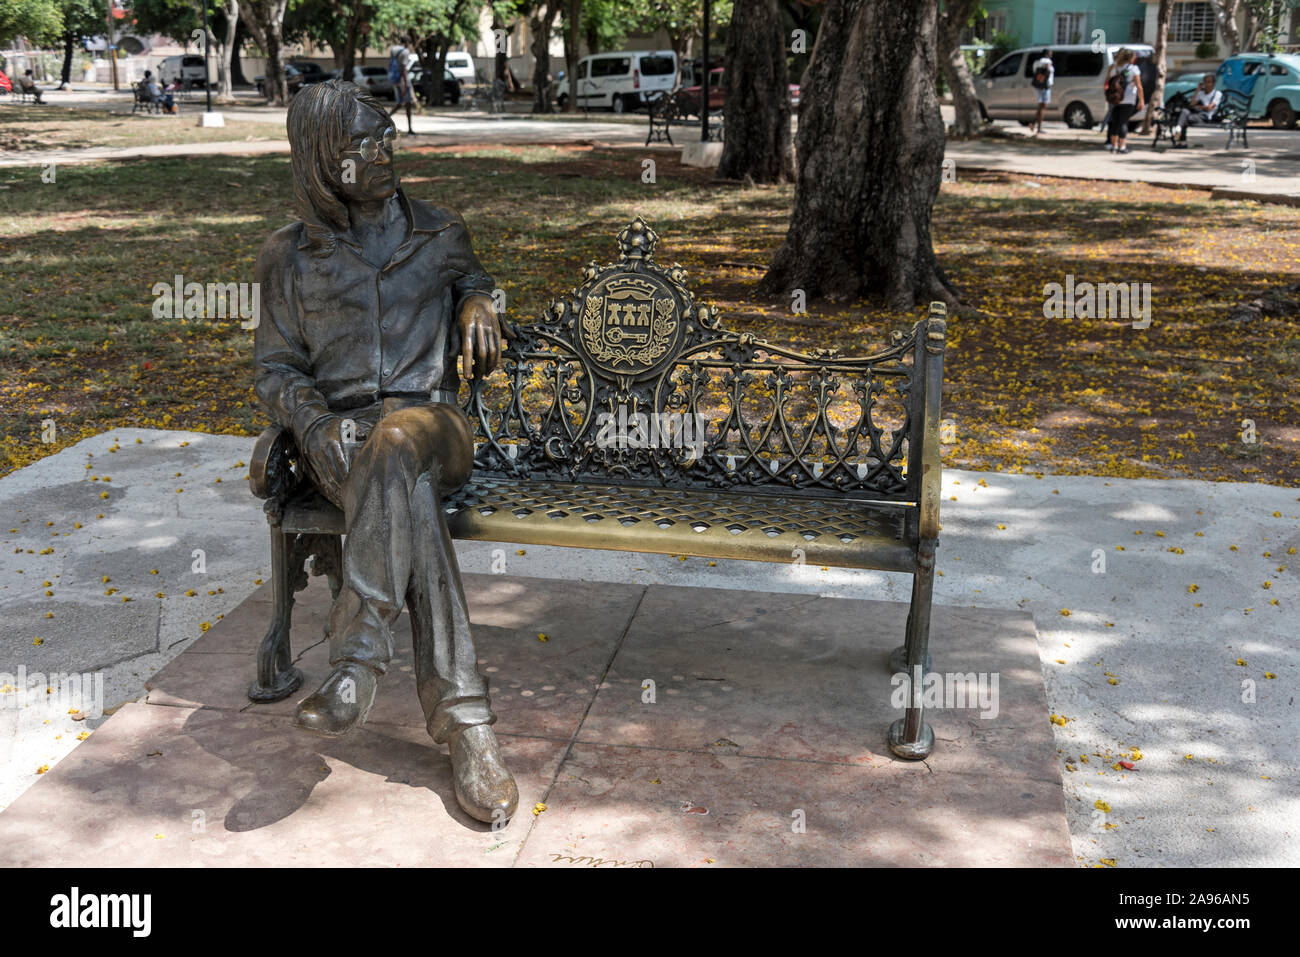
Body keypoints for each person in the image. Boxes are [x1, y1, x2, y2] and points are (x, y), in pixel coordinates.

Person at [253, 79, 516, 824]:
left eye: (387, 135)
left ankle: (359, 656)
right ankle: (469, 732)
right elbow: (274, 369)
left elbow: (483, 286)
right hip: (343, 449)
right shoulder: (287, 257)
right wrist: (310, 425)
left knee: (401, 444)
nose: (385, 151)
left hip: (436, 430)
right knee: (407, 495)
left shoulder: (440, 232)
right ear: (322, 161)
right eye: (364, 143)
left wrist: (477, 300)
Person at [1103, 49, 1144, 154]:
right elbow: (1139, 86)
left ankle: (1114, 146)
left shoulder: (1114, 67)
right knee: (1123, 123)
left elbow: (1107, 81)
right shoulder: (1134, 69)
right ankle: (1122, 147)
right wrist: (1141, 101)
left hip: (1115, 98)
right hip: (1129, 98)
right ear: (1131, 57)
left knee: (1115, 123)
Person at [1171, 73, 1222, 146]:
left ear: (1213, 83)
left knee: (1184, 118)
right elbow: (1191, 104)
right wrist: (1198, 90)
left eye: (1209, 82)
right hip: (1195, 114)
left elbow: (1209, 108)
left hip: (1205, 116)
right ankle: (1180, 136)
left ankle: (1179, 136)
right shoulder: (1201, 93)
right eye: (1205, 82)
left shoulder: (1217, 93)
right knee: (1184, 112)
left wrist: (1198, 107)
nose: (1207, 84)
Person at [387, 44, 415, 135]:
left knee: (399, 104)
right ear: (408, 42)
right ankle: (410, 129)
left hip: (395, 79)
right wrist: (405, 86)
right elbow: (403, 69)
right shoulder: (405, 52)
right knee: (407, 104)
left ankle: (384, 119)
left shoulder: (394, 49)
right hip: (402, 81)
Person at [1030, 49, 1053, 135]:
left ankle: (1033, 124)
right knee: (1043, 107)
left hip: (1037, 86)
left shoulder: (1036, 62)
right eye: (1050, 53)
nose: (1051, 55)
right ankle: (1038, 128)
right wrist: (1044, 81)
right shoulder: (1047, 61)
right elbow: (1048, 70)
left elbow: (1034, 72)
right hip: (1045, 87)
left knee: (1040, 106)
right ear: (1047, 54)